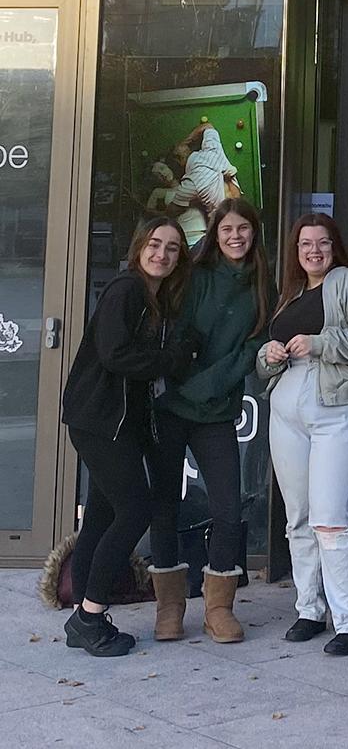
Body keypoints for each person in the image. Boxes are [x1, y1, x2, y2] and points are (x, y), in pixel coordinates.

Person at [60, 218, 200, 656]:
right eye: (155, 244)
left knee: (102, 516)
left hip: (111, 422)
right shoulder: (127, 290)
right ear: (139, 247)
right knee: (134, 510)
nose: (162, 254)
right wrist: (174, 357)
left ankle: (82, 614)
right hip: (101, 420)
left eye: (173, 248)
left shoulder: (155, 299)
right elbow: (115, 354)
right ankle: (89, 615)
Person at [258, 213, 348, 657]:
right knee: (298, 517)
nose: (314, 251)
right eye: (305, 244)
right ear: (295, 252)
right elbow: (268, 354)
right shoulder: (292, 292)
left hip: (343, 406)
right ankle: (310, 610)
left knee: (331, 517)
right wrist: (270, 353)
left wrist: (318, 342)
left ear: (336, 247)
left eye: (323, 243)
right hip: (288, 407)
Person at [149, 199, 274, 644]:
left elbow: (249, 352)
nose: (236, 236)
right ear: (215, 235)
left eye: (243, 228)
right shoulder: (194, 278)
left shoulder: (262, 287)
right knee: (164, 504)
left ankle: (218, 607)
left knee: (227, 505)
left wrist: (206, 386)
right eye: (227, 229)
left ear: (253, 234)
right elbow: (173, 336)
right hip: (171, 408)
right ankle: (169, 606)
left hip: (217, 409)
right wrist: (182, 383)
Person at [163, 121, 241, 248]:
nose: (181, 146)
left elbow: (171, 211)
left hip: (224, 221)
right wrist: (185, 142)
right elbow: (208, 126)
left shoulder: (190, 181)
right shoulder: (212, 149)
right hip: (232, 214)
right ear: (178, 159)